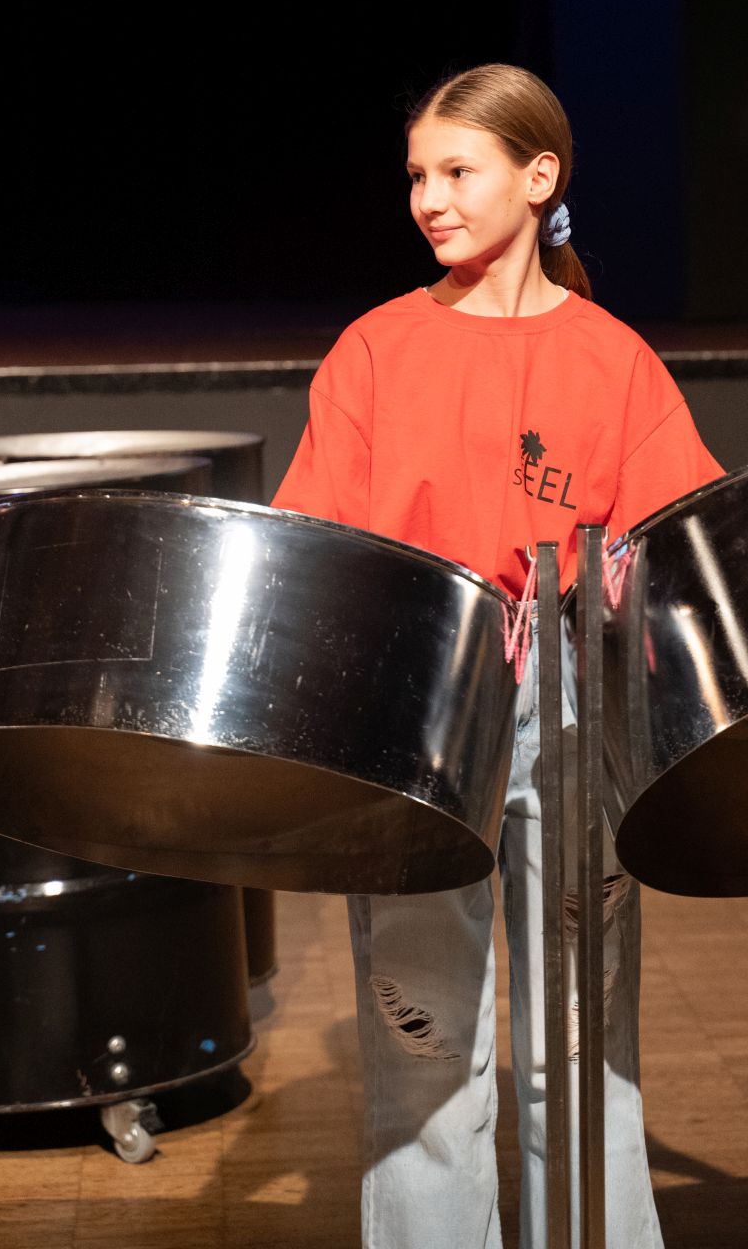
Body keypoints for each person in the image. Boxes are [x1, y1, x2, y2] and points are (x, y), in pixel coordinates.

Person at [272, 63, 723, 1248]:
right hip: (418, 712)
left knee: (578, 1058)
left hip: (571, 706)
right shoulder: (375, 349)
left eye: (457, 171)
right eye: (417, 174)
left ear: (539, 178)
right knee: (423, 1063)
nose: (430, 196)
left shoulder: (613, 359)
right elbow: (317, 550)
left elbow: (685, 545)